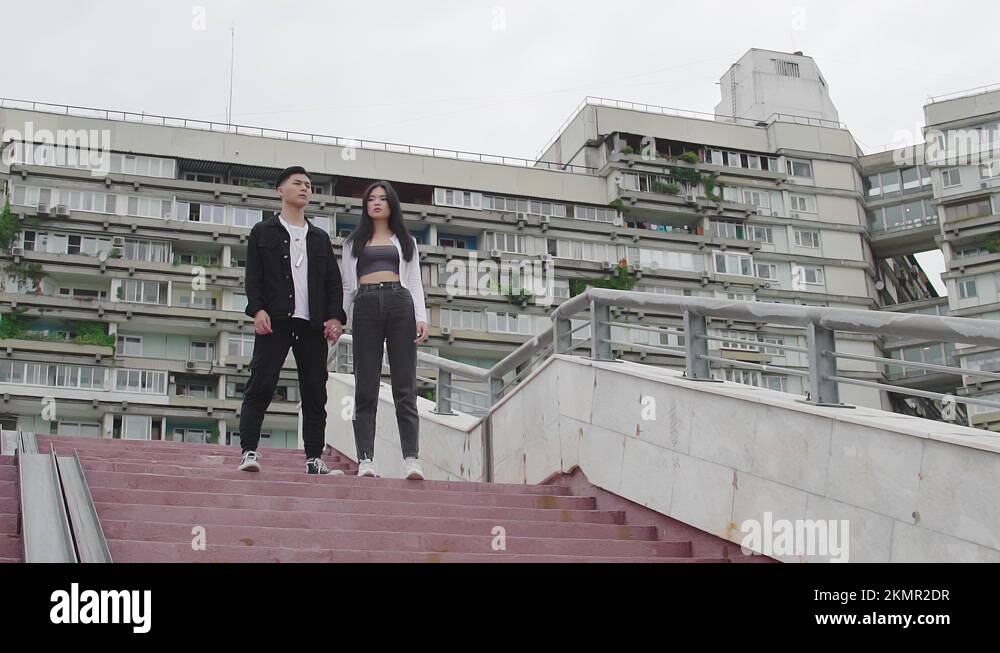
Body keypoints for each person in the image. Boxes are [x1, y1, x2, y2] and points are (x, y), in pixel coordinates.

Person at [237, 166, 347, 475]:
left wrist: (336, 317)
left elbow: (332, 283)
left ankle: (314, 458)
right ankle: (249, 452)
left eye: (309, 185)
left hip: (312, 325)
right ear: (280, 190)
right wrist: (257, 310)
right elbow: (253, 276)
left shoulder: (319, 237)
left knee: (315, 390)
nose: (304, 189)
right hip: (276, 321)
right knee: (261, 384)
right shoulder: (263, 232)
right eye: (297, 183)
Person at [341, 180, 429, 480]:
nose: (376, 203)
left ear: (392, 204)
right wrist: (340, 318)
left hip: (399, 303)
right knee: (365, 385)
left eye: (382, 198)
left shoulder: (406, 241)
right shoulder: (353, 242)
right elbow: (348, 286)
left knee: (405, 386)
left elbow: (415, 281)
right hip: (365, 306)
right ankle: (366, 458)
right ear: (365, 206)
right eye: (371, 199)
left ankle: (411, 458)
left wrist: (422, 317)